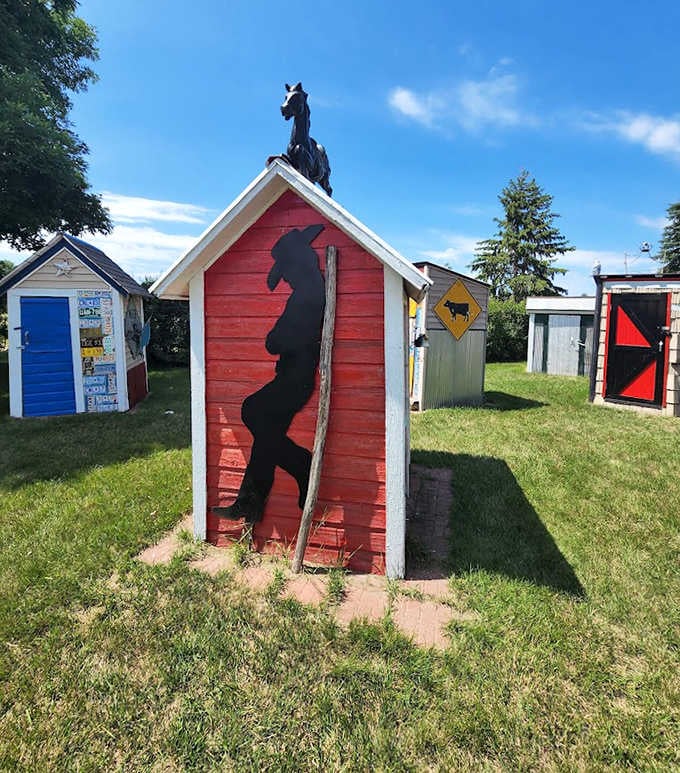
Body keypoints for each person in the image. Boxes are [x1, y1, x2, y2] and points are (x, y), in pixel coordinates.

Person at [213, 224, 325, 525]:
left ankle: (302, 464)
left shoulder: (307, 294)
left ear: (299, 263)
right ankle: (250, 501)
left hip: (295, 377)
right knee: (267, 437)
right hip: (292, 375)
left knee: (253, 409)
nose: (285, 277)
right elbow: (278, 339)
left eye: (286, 270)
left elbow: (275, 341)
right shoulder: (307, 290)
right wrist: (280, 337)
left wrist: (280, 338)